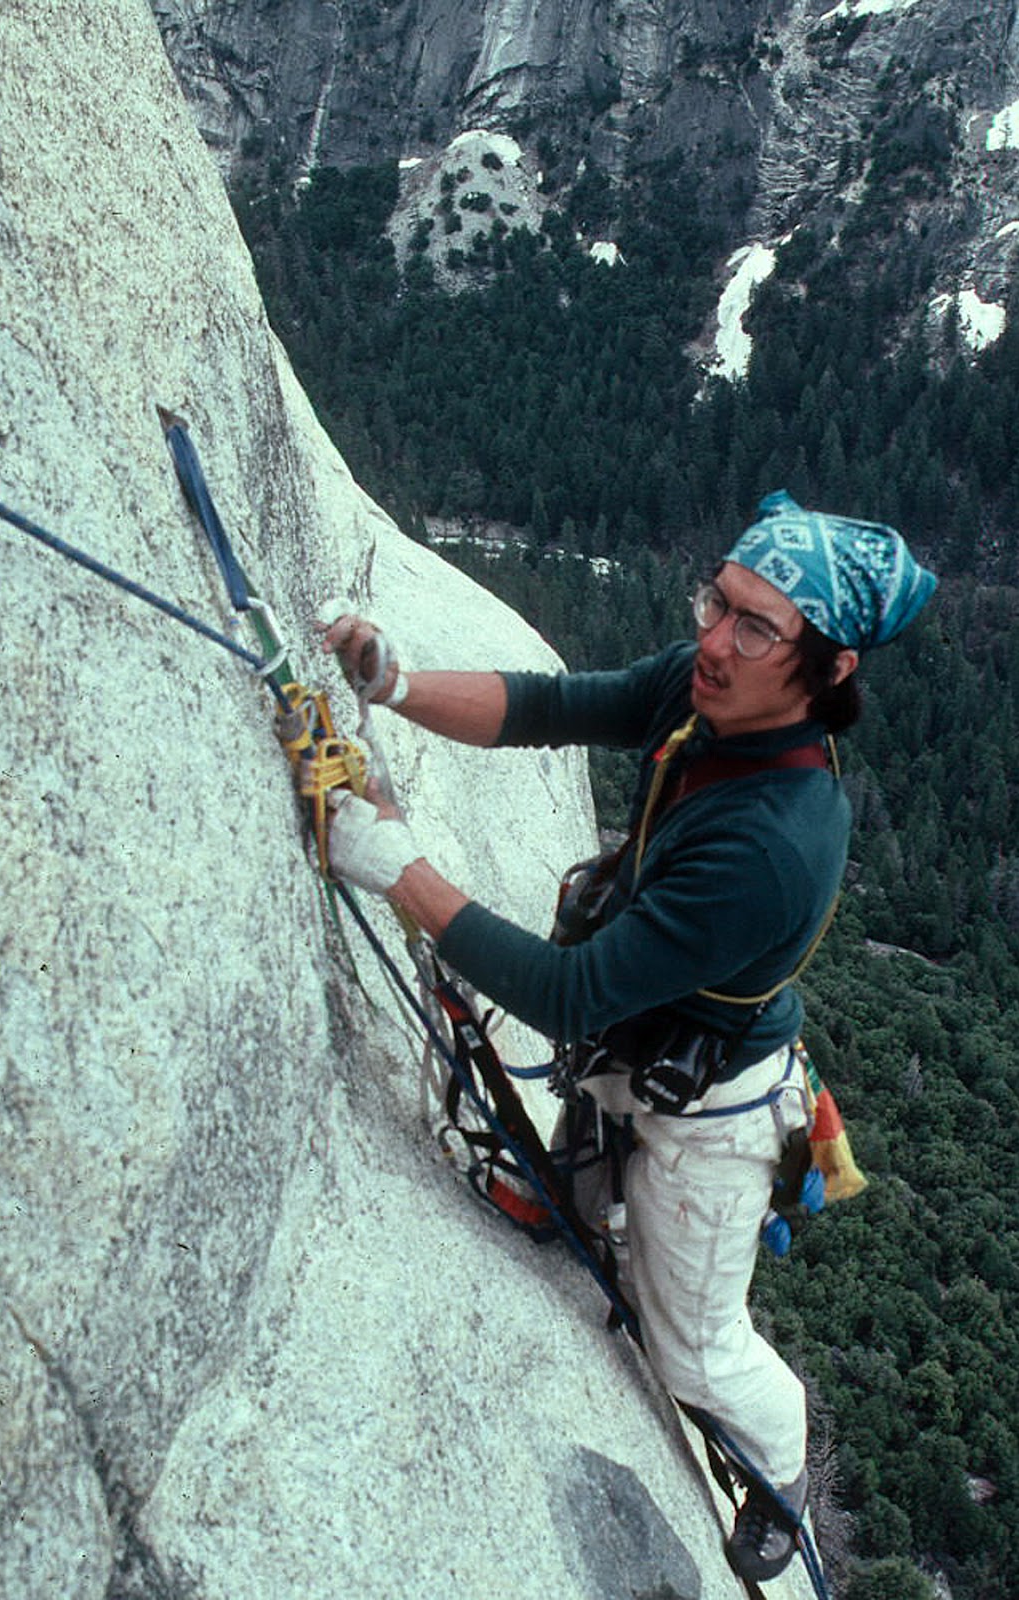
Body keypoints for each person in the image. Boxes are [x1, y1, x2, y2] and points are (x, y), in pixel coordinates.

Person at [318, 490, 936, 1582]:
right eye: (717, 602)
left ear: (829, 668)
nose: (716, 640)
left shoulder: (773, 843)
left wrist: (397, 867)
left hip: (712, 1112)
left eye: (756, 627)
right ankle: (567, 1196)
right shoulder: (708, 698)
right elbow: (550, 705)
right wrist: (396, 684)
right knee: (592, 1135)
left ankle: (781, 1466)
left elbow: (571, 996)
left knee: (690, 1347)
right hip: (646, 1051)